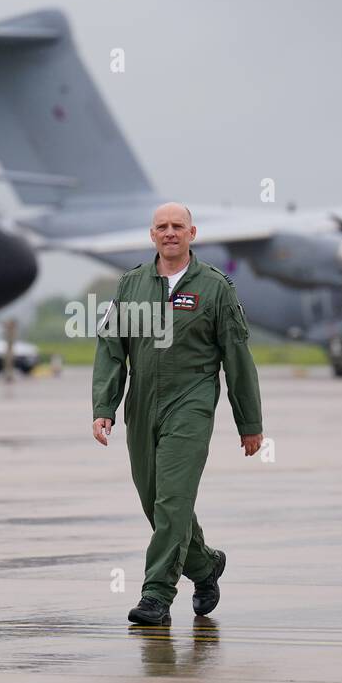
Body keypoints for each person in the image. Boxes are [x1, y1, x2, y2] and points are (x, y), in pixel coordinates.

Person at [92, 202, 263, 625]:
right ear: (152, 235)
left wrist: (250, 424)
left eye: (178, 226)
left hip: (191, 402)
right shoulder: (130, 286)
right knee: (155, 501)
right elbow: (111, 351)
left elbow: (237, 358)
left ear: (192, 233)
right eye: (162, 227)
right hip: (141, 403)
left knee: (173, 499)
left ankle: (156, 595)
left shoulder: (216, 288)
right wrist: (104, 407)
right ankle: (204, 567)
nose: (170, 233)